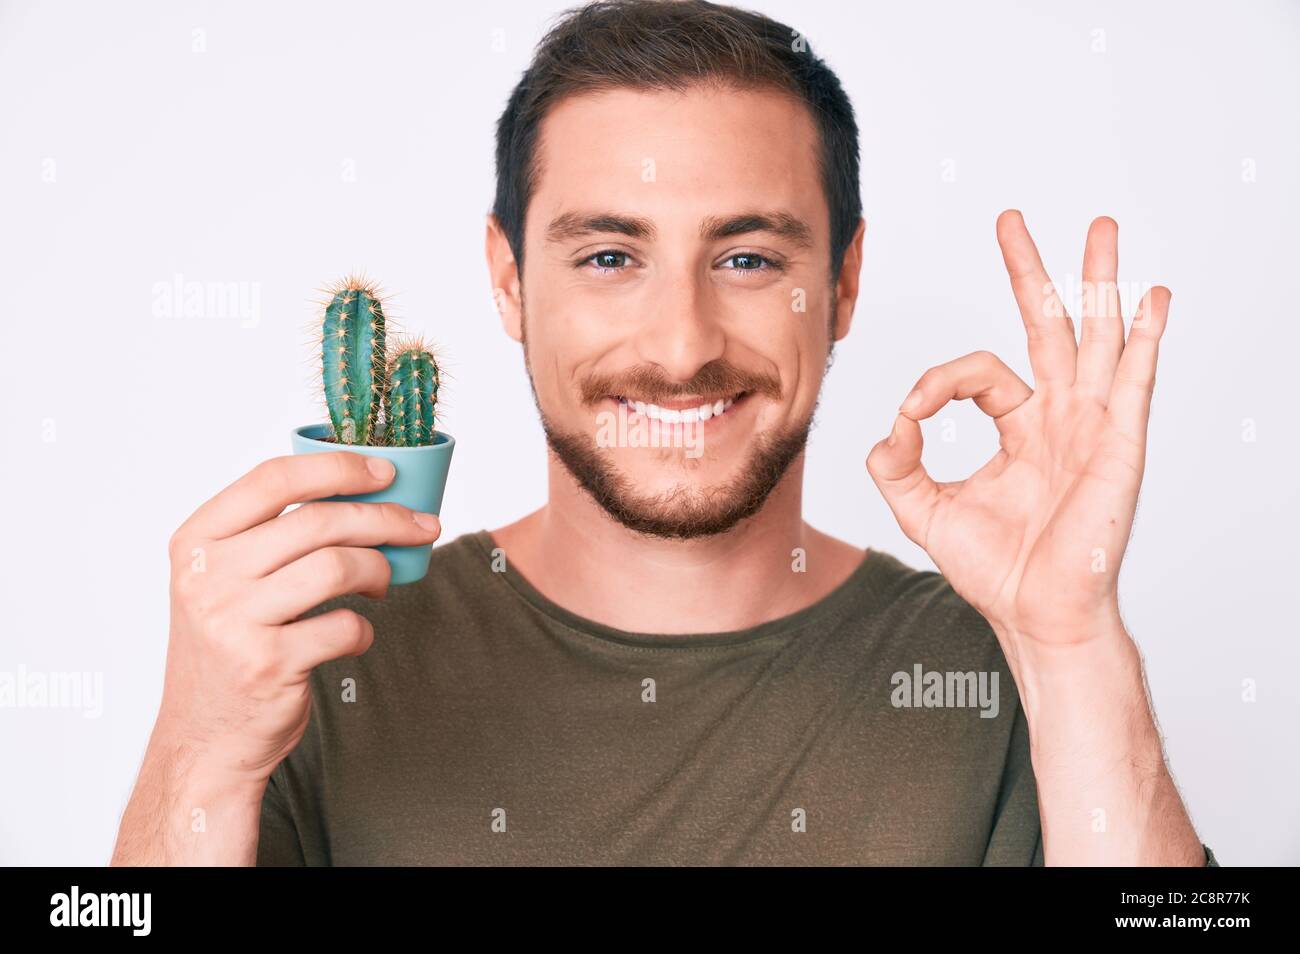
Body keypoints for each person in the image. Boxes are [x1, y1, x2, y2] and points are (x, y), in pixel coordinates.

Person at [112, 0, 1215, 866]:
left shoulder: (1003, 666)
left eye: (747, 258)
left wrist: (1072, 646)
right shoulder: (321, 664)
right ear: (509, 280)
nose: (682, 345)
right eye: (608, 256)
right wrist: (196, 752)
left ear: (842, 284)